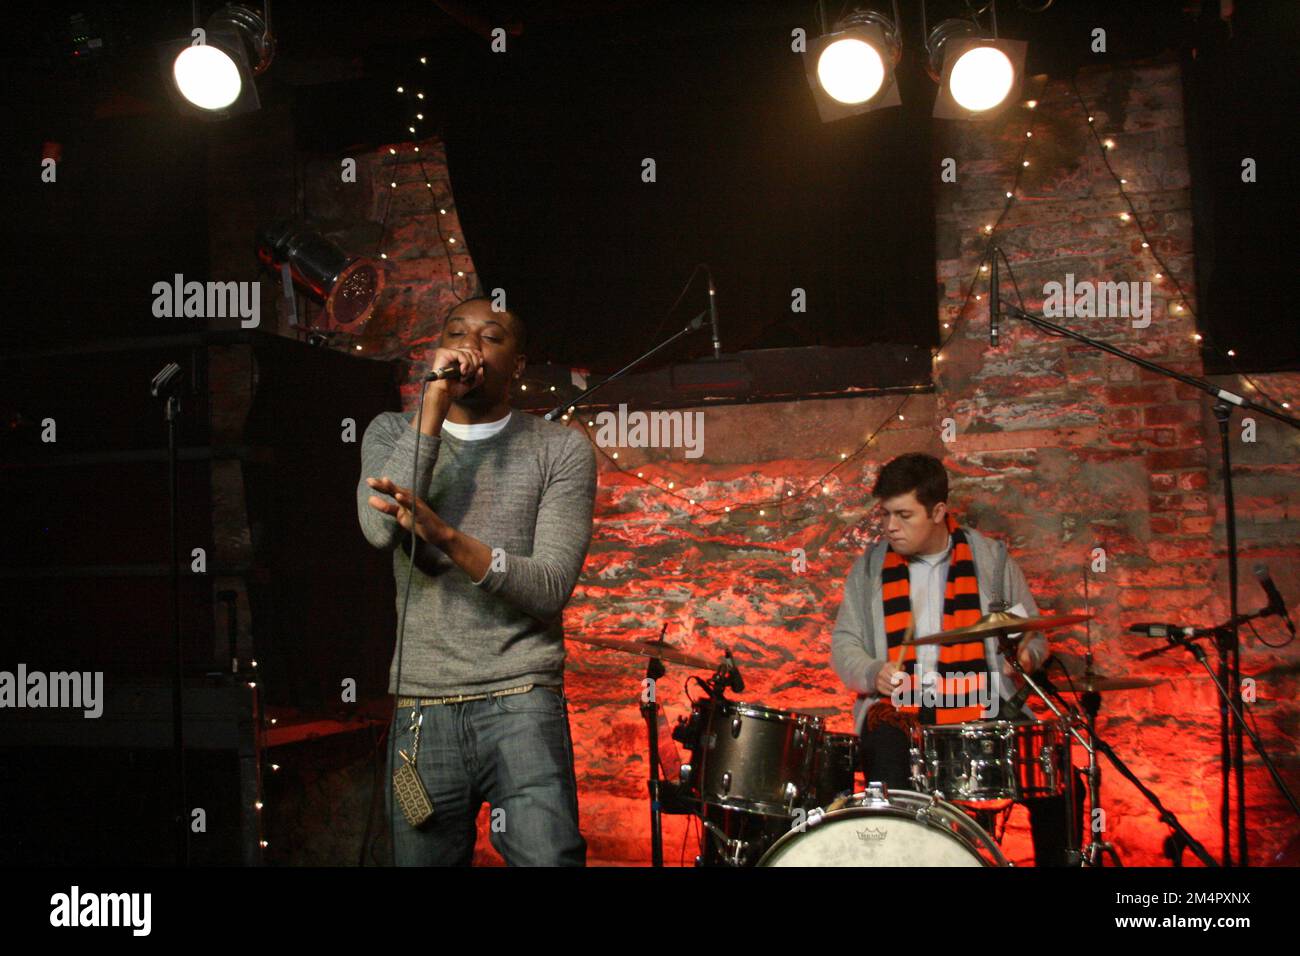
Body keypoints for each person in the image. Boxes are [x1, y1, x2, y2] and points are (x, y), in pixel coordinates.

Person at [357, 296, 596, 866]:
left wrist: (446, 538)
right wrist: (432, 404)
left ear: (517, 364)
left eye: (490, 337)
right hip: (422, 705)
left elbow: (548, 586)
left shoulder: (559, 448)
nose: (469, 346)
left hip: (521, 701)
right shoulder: (392, 431)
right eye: (456, 332)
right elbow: (376, 530)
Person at [830, 452, 1078, 865]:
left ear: (939, 511)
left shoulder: (991, 561)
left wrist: (1027, 660)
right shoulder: (870, 567)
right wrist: (873, 673)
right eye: (886, 514)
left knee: (1059, 779)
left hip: (983, 705)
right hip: (901, 712)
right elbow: (845, 645)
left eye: (904, 515)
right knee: (887, 767)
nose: (891, 526)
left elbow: (1030, 634)